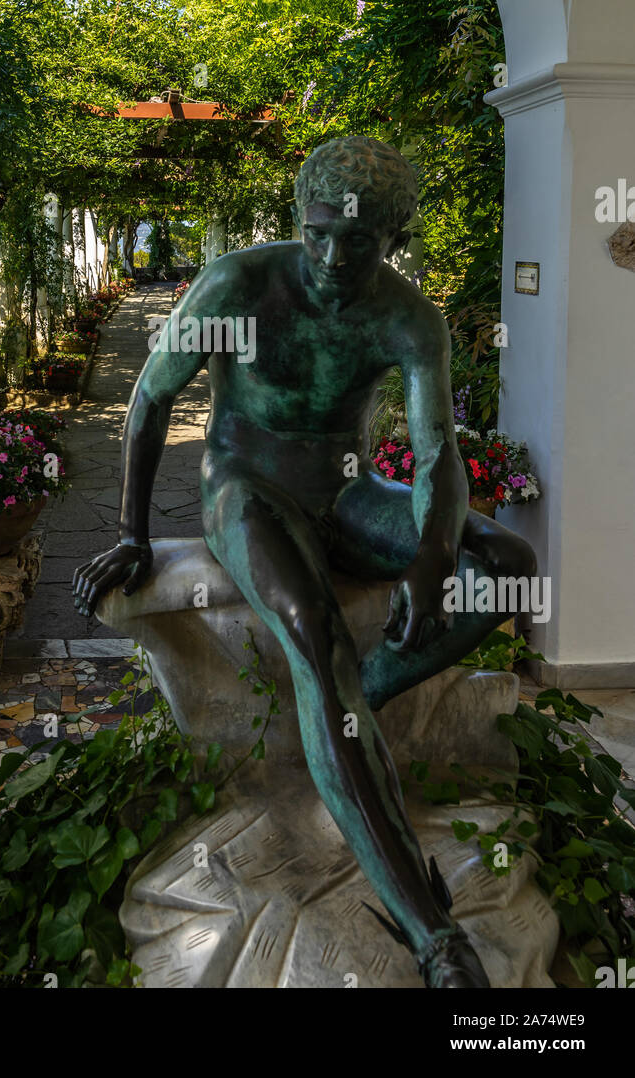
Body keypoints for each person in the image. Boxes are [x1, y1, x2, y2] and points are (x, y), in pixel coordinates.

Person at [73, 135, 536, 988]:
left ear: (393, 237)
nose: (331, 256)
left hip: (348, 492)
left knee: (508, 562)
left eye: (358, 241)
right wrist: (134, 535)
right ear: (300, 219)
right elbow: (151, 396)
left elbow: (436, 457)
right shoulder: (241, 283)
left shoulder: (406, 316)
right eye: (319, 232)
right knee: (312, 628)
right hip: (244, 489)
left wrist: (433, 561)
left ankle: (353, 703)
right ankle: (434, 939)